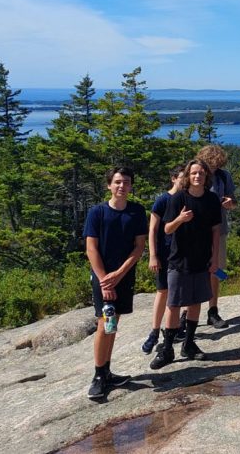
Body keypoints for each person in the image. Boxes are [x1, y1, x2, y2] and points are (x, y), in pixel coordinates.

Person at [83, 167, 147, 400]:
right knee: (104, 323)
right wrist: (104, 280)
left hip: (124, 276)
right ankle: (99, 376)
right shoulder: (97, 213)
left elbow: (139, 247)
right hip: (102, 279)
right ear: (109, 185)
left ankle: (107, 371)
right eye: (118, 182)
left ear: (131, 186)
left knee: (113, 322)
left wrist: (119, 274)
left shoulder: (137, 211)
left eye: (126, 182)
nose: (122, 186)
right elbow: (91, 248)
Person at [151, 159, 221, 370]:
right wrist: (180, 219)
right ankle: (168, 348)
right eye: (193, 173)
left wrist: (215, 258)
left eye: (201, 173)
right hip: (179, 260)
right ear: (188, 176)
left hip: (202, 259)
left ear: (206, 176)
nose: (197, 176)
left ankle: (189, 344)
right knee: (173, 305)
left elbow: (216, 230)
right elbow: (167, 229)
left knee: (196, 302)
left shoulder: (211, 199)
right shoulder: (178, 198)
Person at [142, 165, 184, 355]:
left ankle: (172, 329)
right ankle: (154, 331)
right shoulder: (162, 200)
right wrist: (152, 255)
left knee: (177, 292)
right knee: (162, 291)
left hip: (181, 253)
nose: (185, 181)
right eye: (182, 177)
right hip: (164, 252)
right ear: (173, 178)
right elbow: (152, 229)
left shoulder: (186, 199)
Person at [196, 145, 234, 329]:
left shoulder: (223, 176)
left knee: (215, 270)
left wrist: (229, 203)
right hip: (195, 233)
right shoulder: (195, 175)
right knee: (194, 272)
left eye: (218, 165)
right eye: (212, 165)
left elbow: (232, 200)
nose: (215, 168)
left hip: (219, 229)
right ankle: (188, 314)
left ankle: (213, 310)